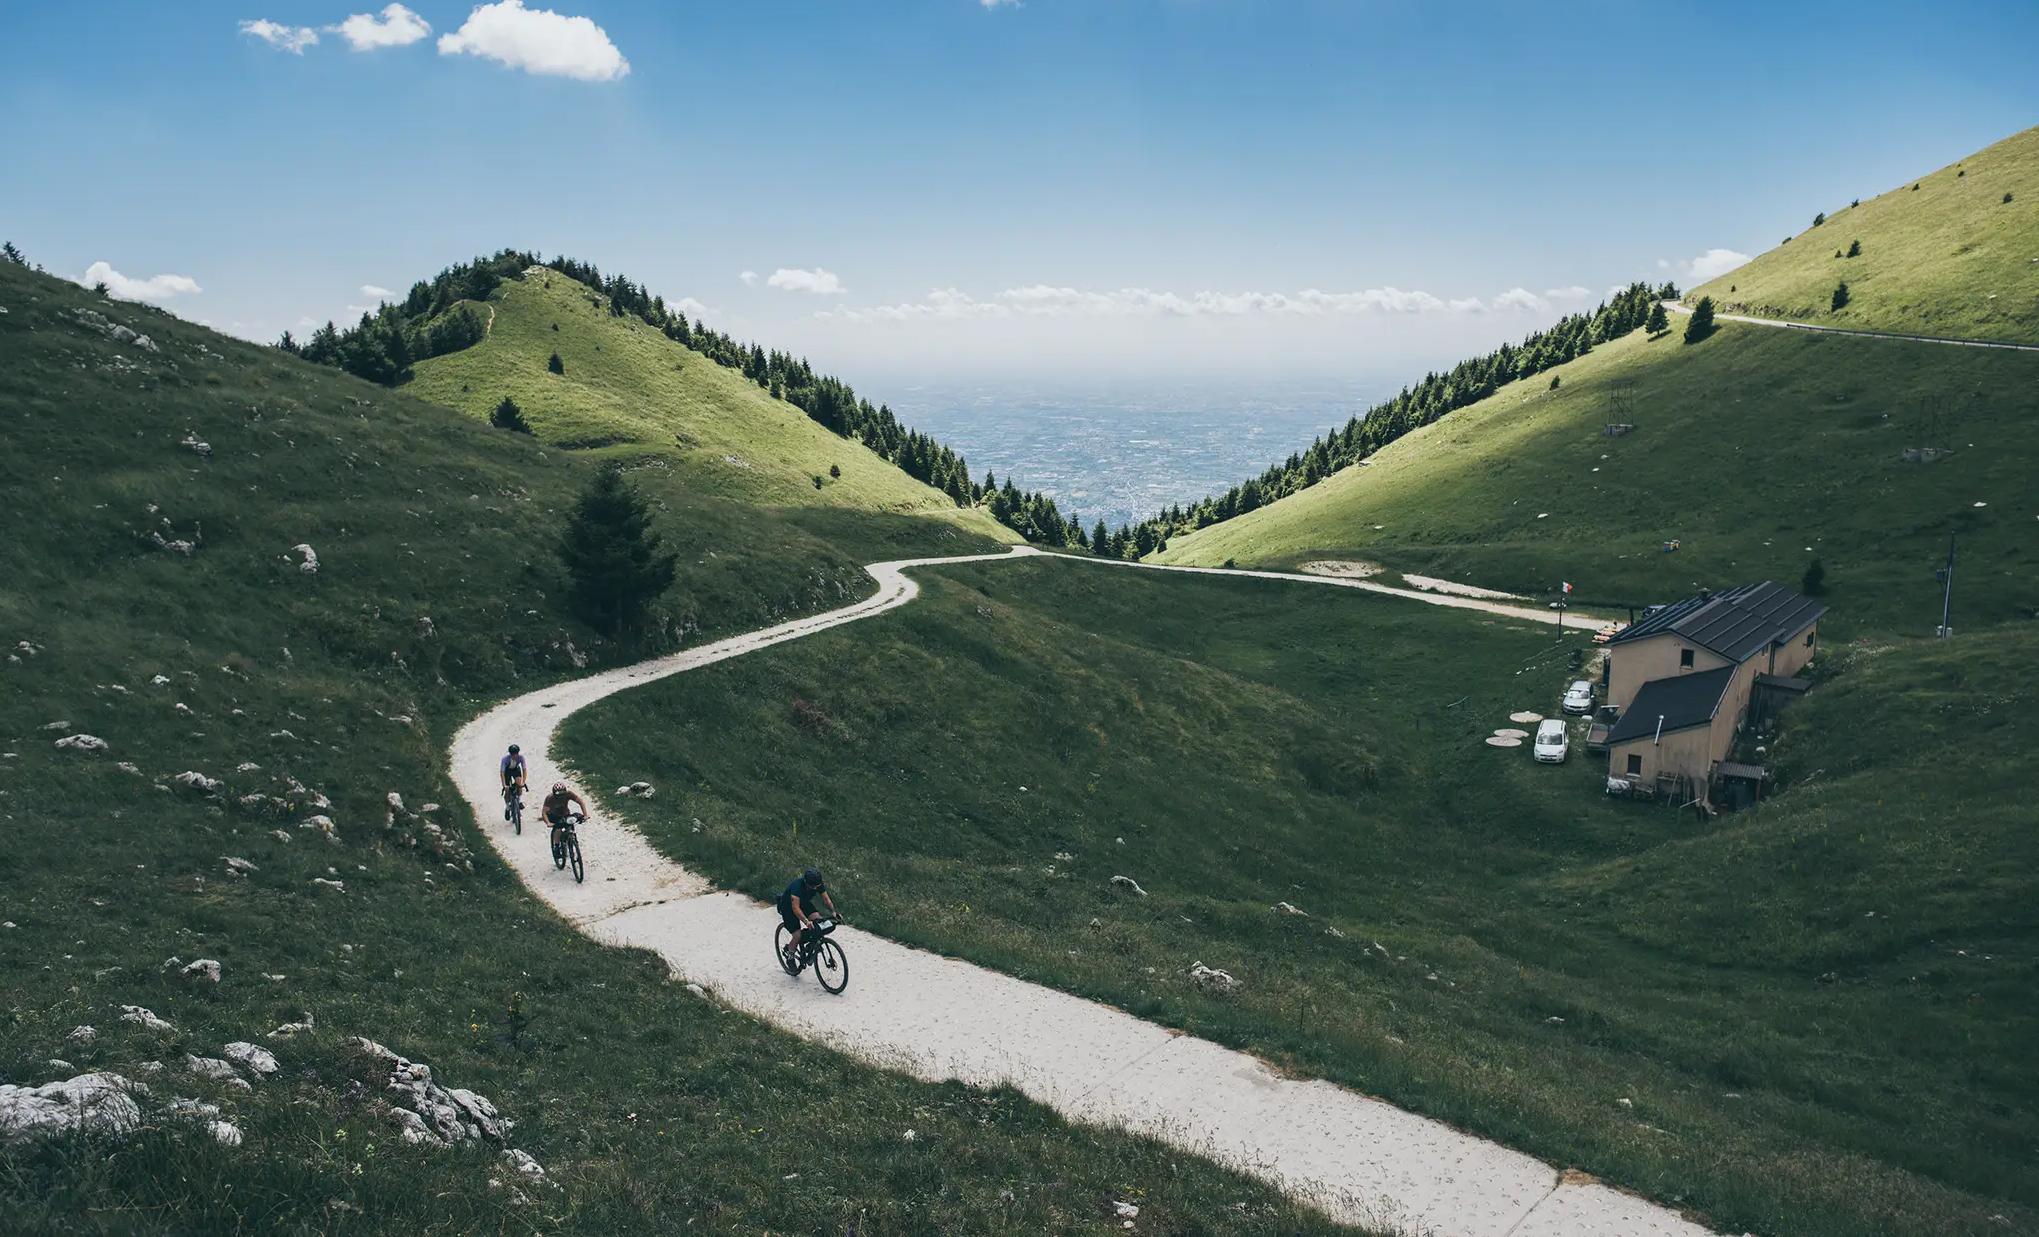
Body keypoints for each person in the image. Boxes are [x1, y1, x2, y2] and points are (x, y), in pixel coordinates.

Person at [777, 868, 838, 969]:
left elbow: (826, 899)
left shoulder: (817, 884)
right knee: (797, 935)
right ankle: (790, 957)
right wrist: (806, 921)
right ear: (806, 883)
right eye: (812, 886)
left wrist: (834, 912)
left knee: (818, 920)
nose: (815, 888)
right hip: (788, 907)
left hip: (804, 903)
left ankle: (810, 945)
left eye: (817, 886)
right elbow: (795, 908)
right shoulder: (797, 887)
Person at [539, 781, 588, 851]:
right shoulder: (550, 798)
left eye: (562, 794)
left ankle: (573, 840)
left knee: (571, 824)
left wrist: (585, 815)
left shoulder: (569, 794)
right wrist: (548, 822)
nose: (561, 797)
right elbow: (544, 812)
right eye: (558, 795)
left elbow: (580, 802)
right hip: (554, 816)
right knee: (558, 829)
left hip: (565, 814)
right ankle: (557, 846)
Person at [499, 744, 527, 819]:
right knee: (507, 790)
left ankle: (519, 801)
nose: (514, 756)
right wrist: (504, 785)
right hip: (507, 771)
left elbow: (524, 769)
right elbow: (502, 773)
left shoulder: (521, 758)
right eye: (512, 754)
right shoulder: (505, 759)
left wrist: (523, 782)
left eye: (516, 754)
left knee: (519, 784)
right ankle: (508, 807)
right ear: (510, 754)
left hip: (515, 770)